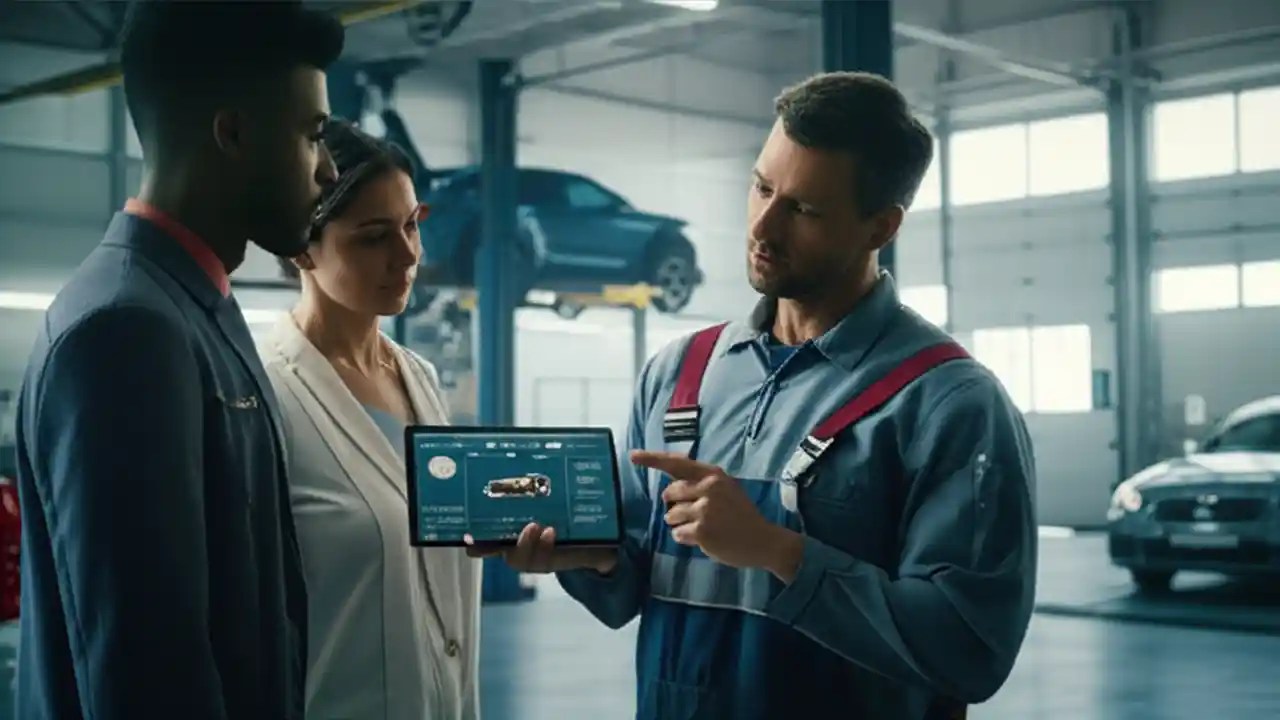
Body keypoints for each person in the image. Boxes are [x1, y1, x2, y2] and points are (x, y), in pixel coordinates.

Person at [472, 72, 1038, 719]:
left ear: (881, 227)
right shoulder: (678, 372)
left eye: (803, 209)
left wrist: (777, 550)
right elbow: (628, 588)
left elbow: (969, 648)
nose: (763, 226)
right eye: (762, 186)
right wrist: (589, 558)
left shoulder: (948, 404)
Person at [12, 2, 343, 718]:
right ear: (232, 133)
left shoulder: (195, 309)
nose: (329, 170)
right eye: (313, 136)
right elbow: (146, 671)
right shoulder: (126, 331)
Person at [260, 119, 482, 720]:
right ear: (302, 247)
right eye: (374, 237)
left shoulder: (421, 381)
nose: (408, 254)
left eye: (412, 225)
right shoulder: (264, 394)